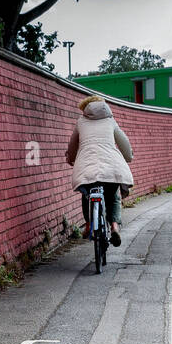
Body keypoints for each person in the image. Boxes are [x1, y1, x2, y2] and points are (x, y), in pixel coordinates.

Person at [65, 96, 133, 247]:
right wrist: (128, 157)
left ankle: (89, 224)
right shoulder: (110, 121)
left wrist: (70, 158)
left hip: (87, 166)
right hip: (111, 166)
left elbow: (72, 144)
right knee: (113, 196)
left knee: (86, 192)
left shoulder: (81, 122)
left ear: (85, 109)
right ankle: (115, 226)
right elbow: (124, 143)